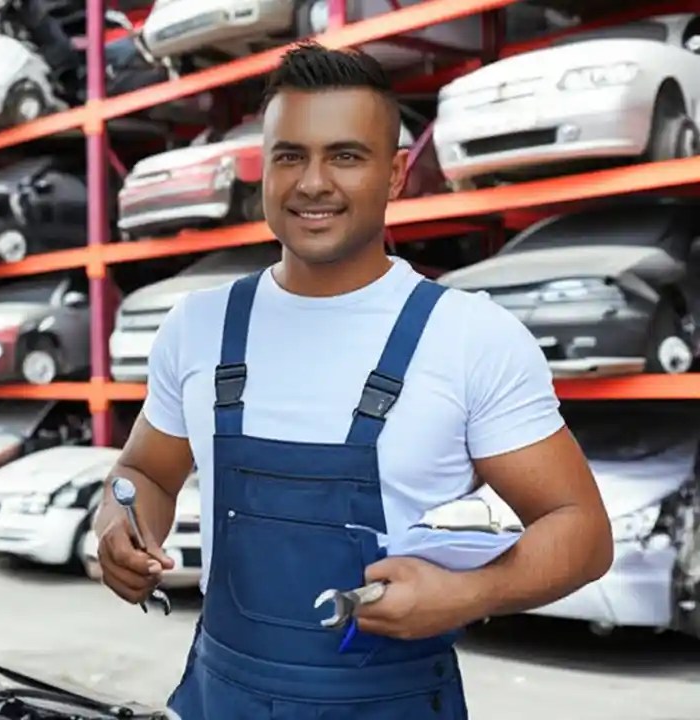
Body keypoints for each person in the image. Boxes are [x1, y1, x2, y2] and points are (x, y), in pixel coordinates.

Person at [91, 42, 613, 719]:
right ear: (263, 168)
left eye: (345, 156)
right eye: (289, 156)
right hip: (219, 697)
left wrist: (469, 594)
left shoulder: (469, 337)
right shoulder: (199, 327)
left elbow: (581, 530)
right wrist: (120, 528)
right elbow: (145, 474)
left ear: (394, 175)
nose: (313, 183)